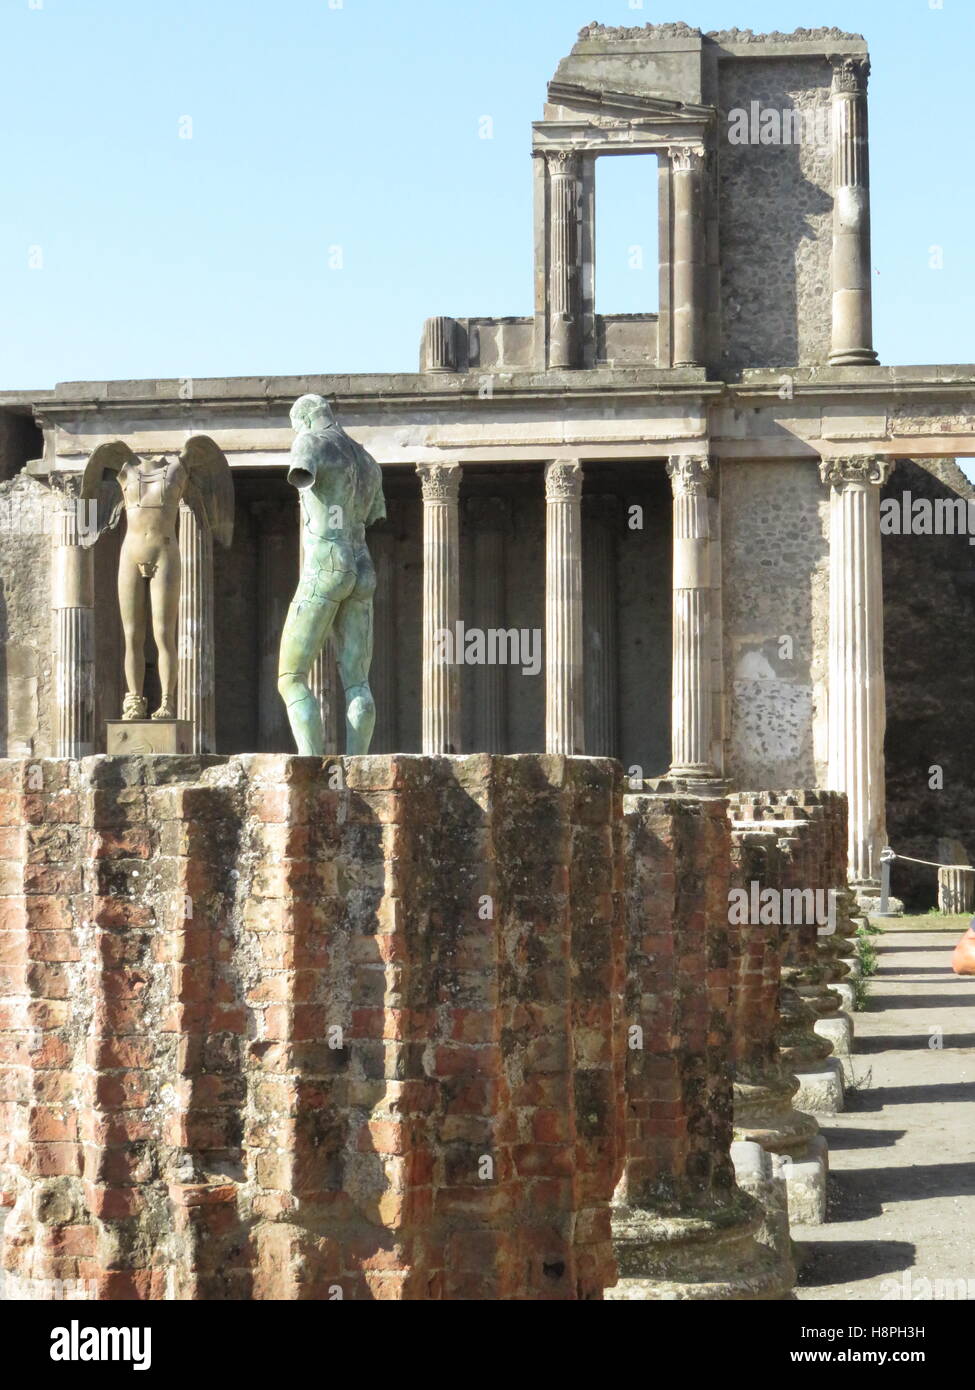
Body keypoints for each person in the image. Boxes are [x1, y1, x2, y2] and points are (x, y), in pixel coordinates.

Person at [277, 395, 386, 755]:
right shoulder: (367, 460)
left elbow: (301, 474)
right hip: (362, 563)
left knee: (291, 678)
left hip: (326, 561)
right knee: (358, 683)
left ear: (304, 419)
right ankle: (359, 766)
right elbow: (369, 516)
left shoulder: (310, 441)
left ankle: (309, 769)